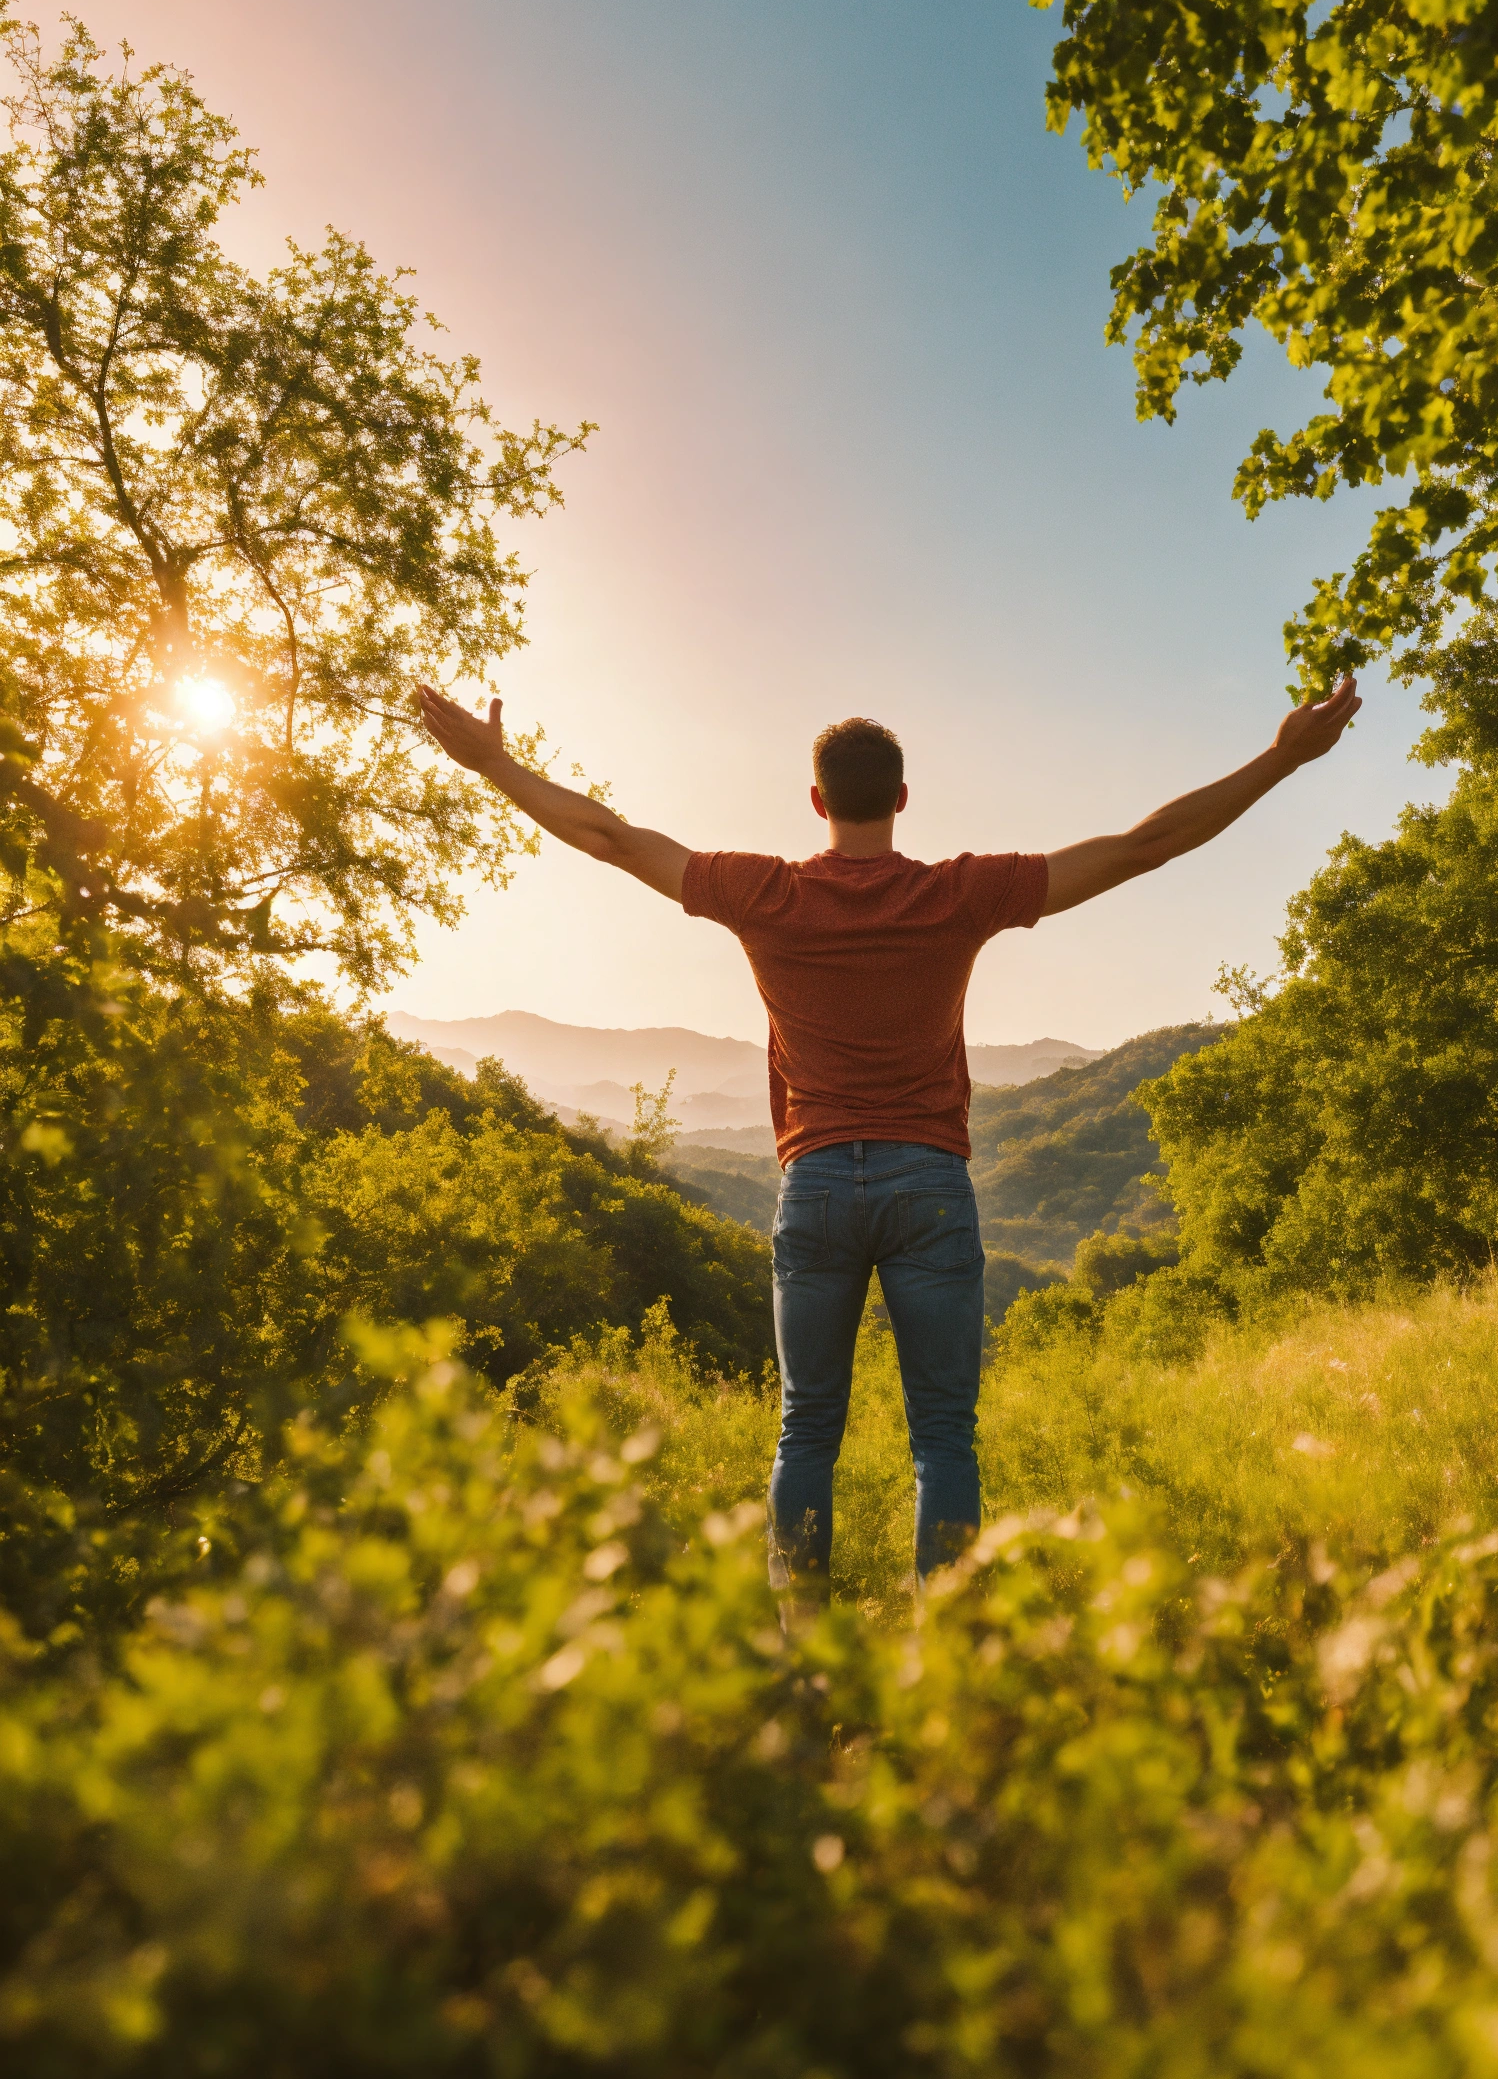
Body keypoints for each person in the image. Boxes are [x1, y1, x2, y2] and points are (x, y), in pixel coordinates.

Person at [415, 676, 1362, 1613]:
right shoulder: (960, 893)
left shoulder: (762, 891)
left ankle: (803, 1648)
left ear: (818, 801)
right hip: (929, 1187)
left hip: (817, 1183)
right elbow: (1141, 849)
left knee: (806, 1431)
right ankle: (942, 1653)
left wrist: (498, 767)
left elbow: (610, 837)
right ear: (902, 799)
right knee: (944, 1435)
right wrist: (1280, 759)